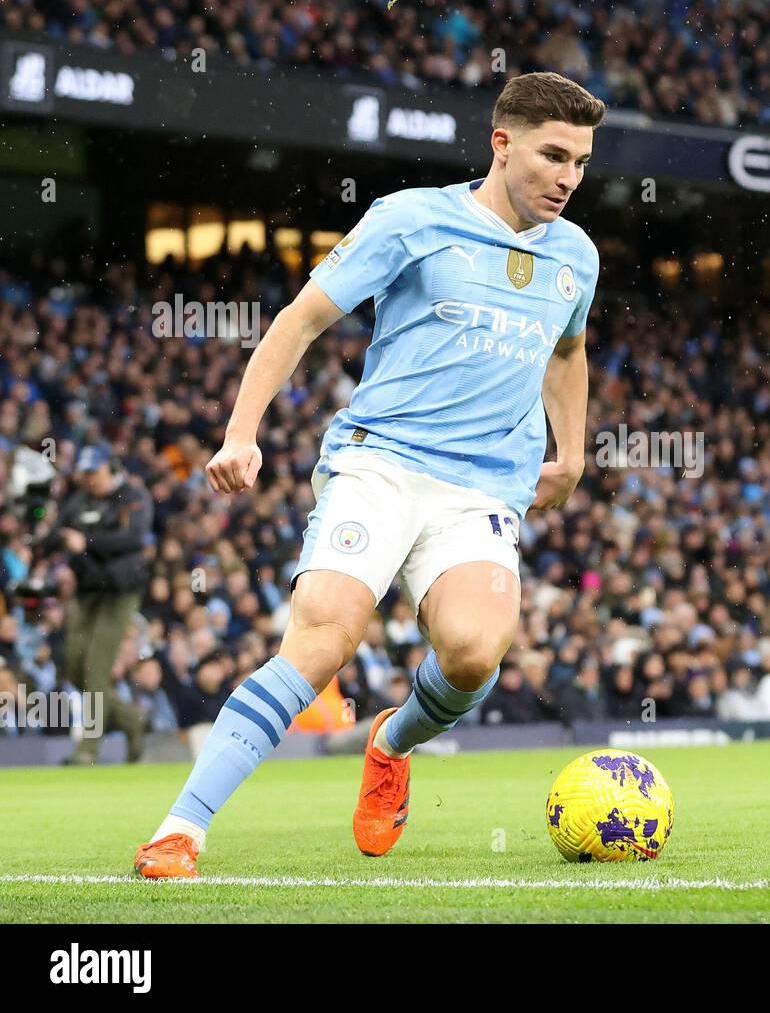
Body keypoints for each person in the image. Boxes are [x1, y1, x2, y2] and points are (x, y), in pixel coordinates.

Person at [133, 71, 604, 878]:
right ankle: (181, 829)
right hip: (380, 461)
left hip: (483, 487)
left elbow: (567, 352)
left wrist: (573, 450)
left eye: (582, 163)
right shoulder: (411, 219)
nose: (568, 178)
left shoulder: (576, 254)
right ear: (502, 143)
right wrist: (241, 432)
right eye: (553, 155)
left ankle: (389, 743)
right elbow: (302, 320)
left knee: (472, 655)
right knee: (325, 636)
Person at [58, 444, 153, 764]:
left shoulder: (133, 497)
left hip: (119, 591)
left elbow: (135, 538)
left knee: (96, 668)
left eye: (94, 473)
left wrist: (87, 542)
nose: (89, 480)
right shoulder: (78, 501)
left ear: (110, 469)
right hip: (87, 591)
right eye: (84, 474)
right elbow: (59, 533)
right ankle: (131, 720)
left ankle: (88, 749)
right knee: (73, 665)